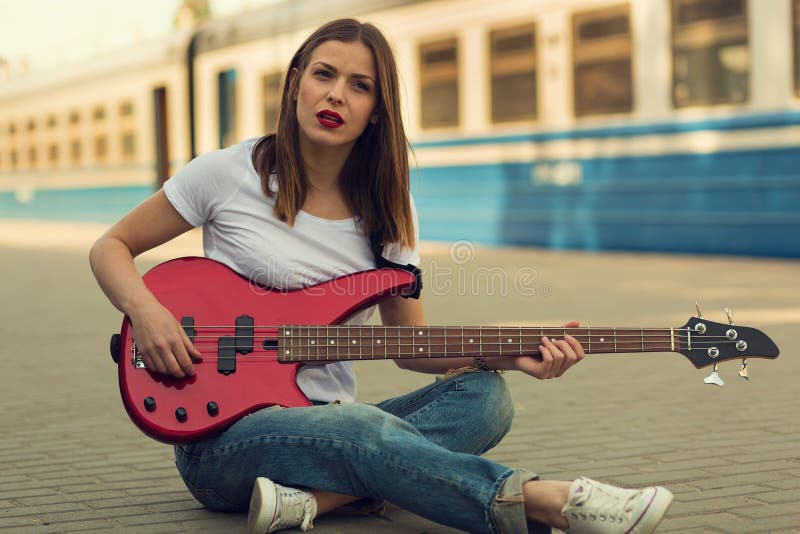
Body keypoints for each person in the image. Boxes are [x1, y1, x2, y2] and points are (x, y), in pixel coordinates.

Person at [90, 18, 673, 534]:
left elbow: (409, 346)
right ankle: (546, 501)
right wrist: (148, 312)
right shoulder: (227, 173)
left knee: (485, 399)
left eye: (359, 85)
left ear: (377, 110)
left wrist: (506, 354)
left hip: (333, 427)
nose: (335, 94)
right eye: (324, 74)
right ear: (295, 82)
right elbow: (111, 246)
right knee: (364, 431)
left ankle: (311, 503)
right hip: (224, 443)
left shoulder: (389, 210)